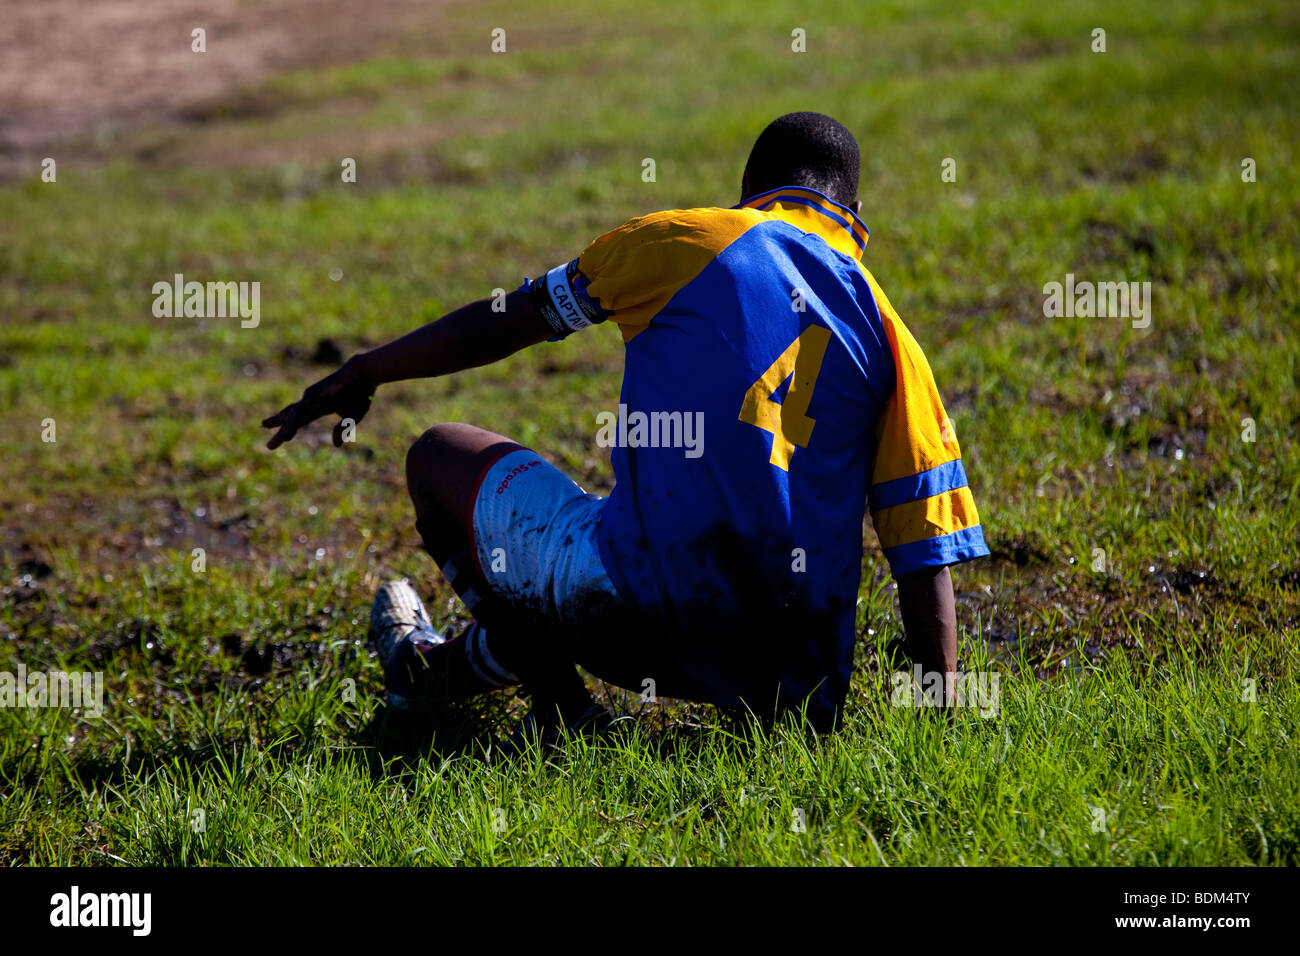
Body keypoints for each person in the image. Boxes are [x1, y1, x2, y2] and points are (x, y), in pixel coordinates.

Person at [262, 111, 990, 737]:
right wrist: (939, 727)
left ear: (751, 194)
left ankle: (556, 710)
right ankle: (442, 668)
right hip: (789, 686)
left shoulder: (689, 240)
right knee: (586, 555)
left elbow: (508, 322)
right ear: (856, 215)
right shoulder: (897, 342)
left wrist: (366, 371)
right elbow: (926, 565)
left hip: (628, 618)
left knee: (438, 454)